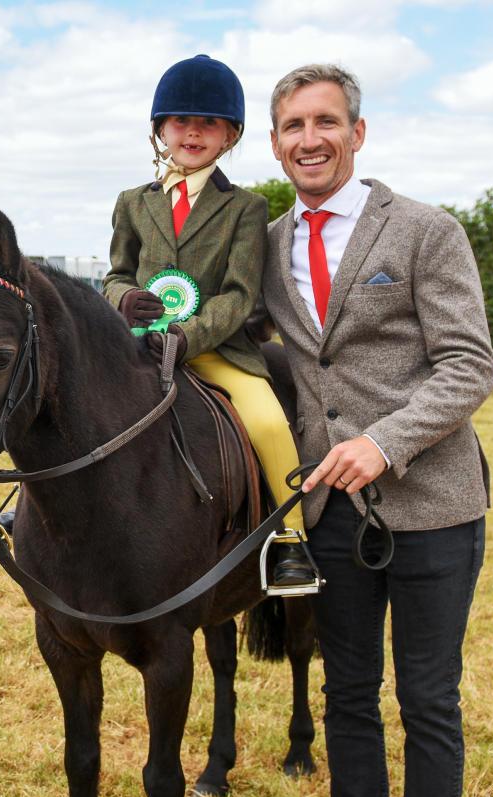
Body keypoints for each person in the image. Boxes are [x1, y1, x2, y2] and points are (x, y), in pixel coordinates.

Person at [263, 64, 493, 797]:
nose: (308, 139)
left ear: (359, 133)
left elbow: (470, 365)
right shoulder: (272, 241)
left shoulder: (425, 230)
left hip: (433, 505)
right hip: (331, 513)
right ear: (277, 141)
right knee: (345, 693)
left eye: (325, 121)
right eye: (292, 125)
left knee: (427, 698)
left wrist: (387, 442)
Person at [102, 54, 314, 588]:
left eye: (209, 123)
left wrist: (185, 335)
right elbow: (115, 274)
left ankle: (290, 541)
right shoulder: (132, 203)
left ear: (230, 135)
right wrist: (124, 299)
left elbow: (240, 295)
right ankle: (37, 506)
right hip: (136, 349)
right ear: (160, 130)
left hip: (216, 350)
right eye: (180, 121)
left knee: (268, 422)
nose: (193, 132)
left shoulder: (245, 208)